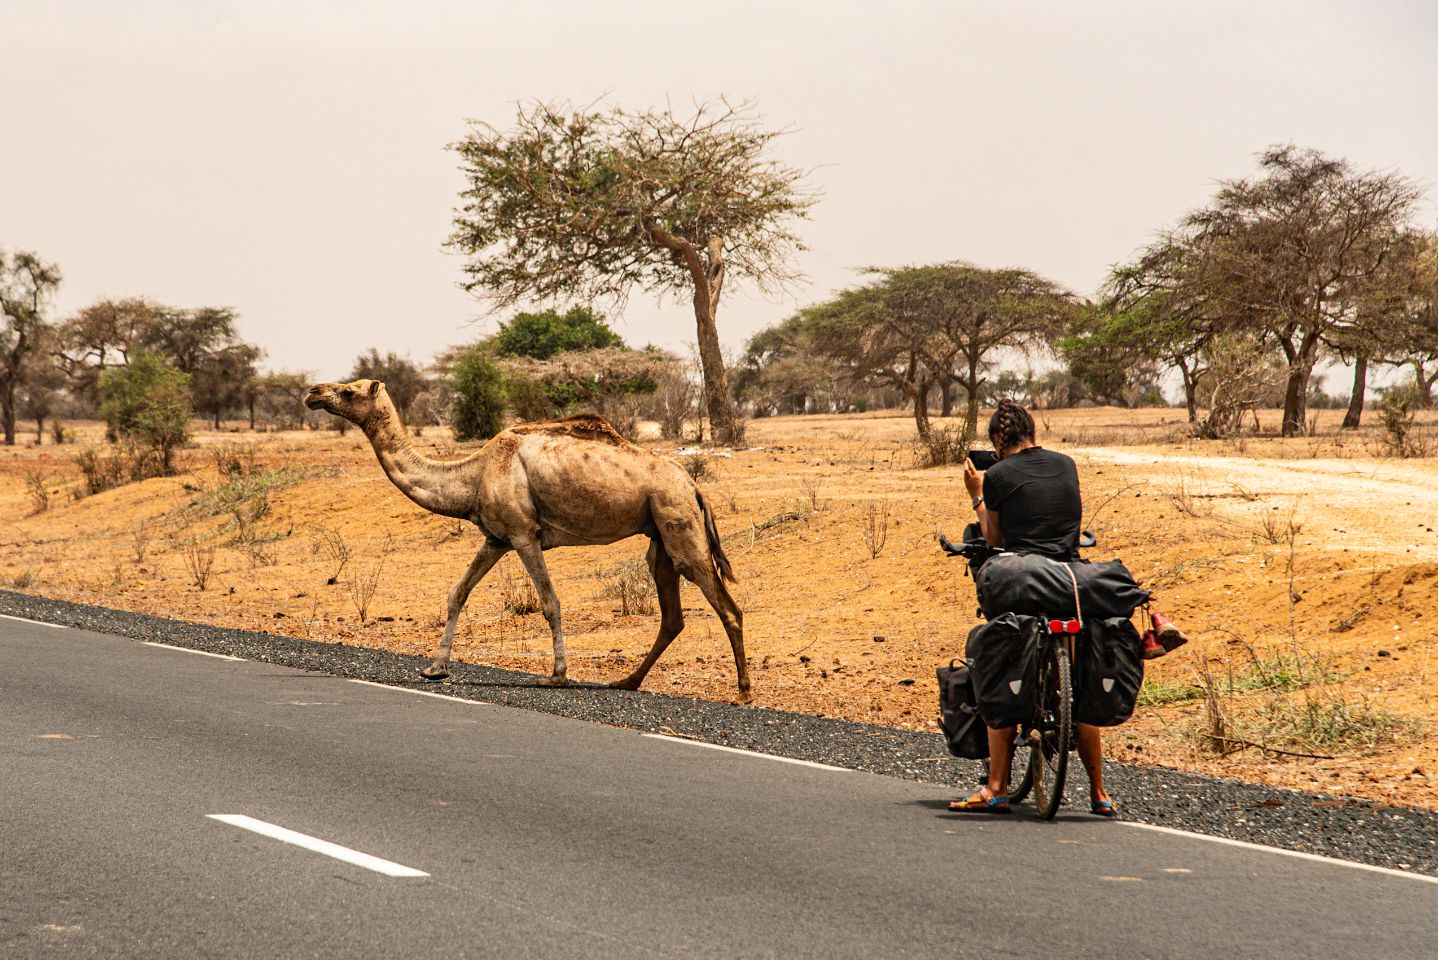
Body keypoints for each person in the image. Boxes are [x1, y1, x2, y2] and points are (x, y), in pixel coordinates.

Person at [948, 401, 1187, 816]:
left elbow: (994, 535)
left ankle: (996, 787)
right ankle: (1099, 793)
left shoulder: (998, 474)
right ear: (1034, 433)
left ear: (998, 442)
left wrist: (976, 497)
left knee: (1000, 666)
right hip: (1075, 577)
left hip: (1025, 579)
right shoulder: (1066, 464)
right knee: (1079, 683)